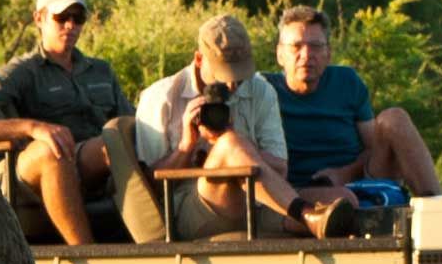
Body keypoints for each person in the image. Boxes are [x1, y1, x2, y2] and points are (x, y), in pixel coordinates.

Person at [133, 15, 347, 238]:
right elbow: (149, 189)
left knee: (344, 200)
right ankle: (304, 215)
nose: (231, 85)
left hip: (256, 201)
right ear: (199, 60)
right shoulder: (161, 97)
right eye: (223, 74)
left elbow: (281, 169)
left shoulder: (260, 91)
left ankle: (315, 223)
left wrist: (237, 145)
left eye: (239, 75)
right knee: (230, 144)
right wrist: (188, 147)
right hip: (194, 208)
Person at [0, 0, 146, 245]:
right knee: (61, 151)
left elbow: (130, 124)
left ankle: (160, 238)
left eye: (78, 17)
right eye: (61, 17)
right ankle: (86, 253)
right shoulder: (21, 73)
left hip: (95, 159)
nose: (70, 25)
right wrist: (32, 128)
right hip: (49, 160)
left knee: (130, 139)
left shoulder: (101, 71)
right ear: (39, 18)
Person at [268, 5, 440, 196]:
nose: (307, 55)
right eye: (296, 46)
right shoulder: (263, 90)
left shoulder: (348, 82)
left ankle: (436, 208)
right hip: (297, 194)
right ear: (280, 54)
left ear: (328, 54)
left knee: (395, 118)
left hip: (358, 181)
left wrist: (345, 174)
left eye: (316, 46)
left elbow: (372, 148)